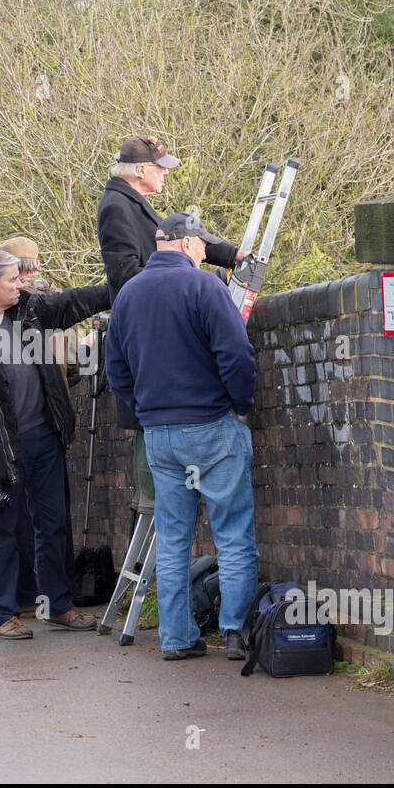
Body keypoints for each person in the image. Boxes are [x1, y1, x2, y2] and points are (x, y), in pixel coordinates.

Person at [104, 212, 259, 661]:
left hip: (159, 436)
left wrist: (147, 413)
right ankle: (235, 631)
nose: (206, 251)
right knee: (232, 533)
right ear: (189, 245)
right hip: (212, 427)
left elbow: (118, 371)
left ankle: (176, 637)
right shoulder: (205, 286)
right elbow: (236, 354)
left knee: (172, 538)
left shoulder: (128, 295)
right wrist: (240, 404)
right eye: (203, 245)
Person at [0, 250, 110, 639]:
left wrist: (120, 282)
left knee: (54, 524)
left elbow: (72, 303)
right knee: (4, 530)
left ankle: (58, 606)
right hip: (1, 447)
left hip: (44, 434)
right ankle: (2, 614)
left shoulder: (28, 311)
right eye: (13, 280)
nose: (22, 285)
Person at [96, 135, 249, 551]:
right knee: (157, 503)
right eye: (160, 166)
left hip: (157, 394)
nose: (166, 173)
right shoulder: (115, 208)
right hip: (160, 382)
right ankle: (147, 587)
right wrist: (188, 288)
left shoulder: (131, 203)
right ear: (141, 170)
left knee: (170, 516)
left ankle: (160, 598)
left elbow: (182, 241)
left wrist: (231, 255)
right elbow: (126, 274)